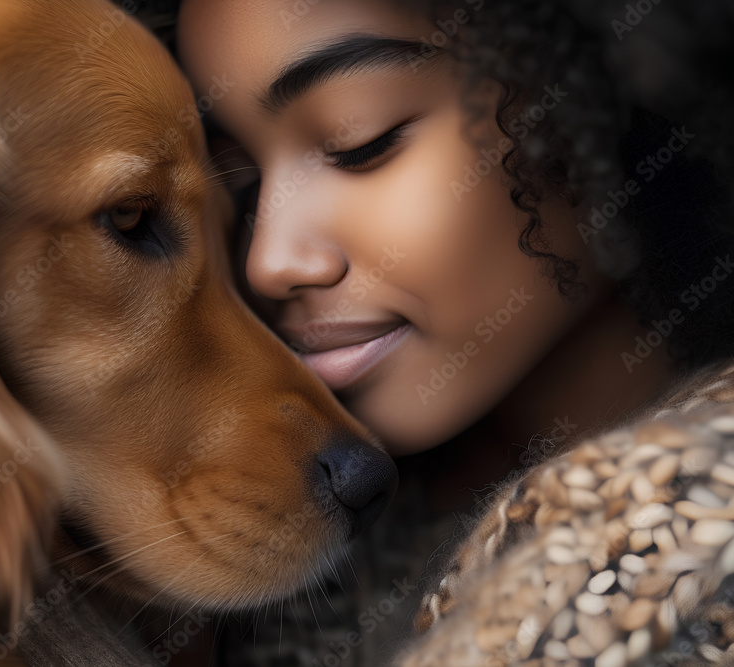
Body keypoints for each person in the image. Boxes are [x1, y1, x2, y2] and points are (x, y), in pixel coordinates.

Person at [169, 0, 734, 664]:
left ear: (598, 90)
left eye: (360, 139)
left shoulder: (680, 531)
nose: (270, 260)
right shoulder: (318, 563)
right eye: (241, 182)